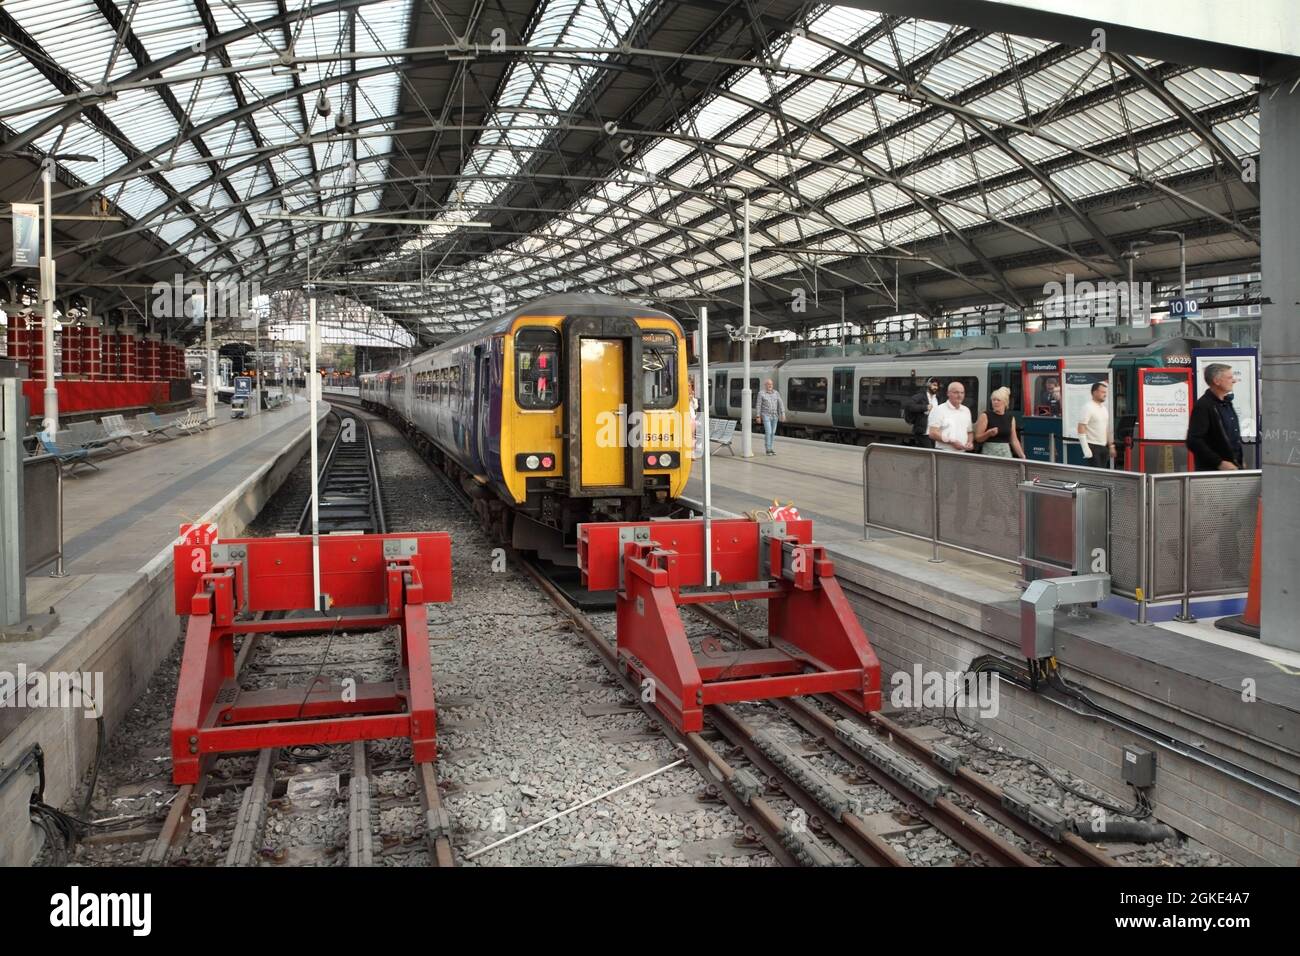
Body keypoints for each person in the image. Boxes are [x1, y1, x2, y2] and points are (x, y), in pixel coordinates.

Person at [1187, 363, 1244, 471]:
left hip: (1234, 469)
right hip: (1213, 472)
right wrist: (1219, 463)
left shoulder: (1227, 403)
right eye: (1229, 377)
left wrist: (1239, 460)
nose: (1234, 381)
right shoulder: (1203, 406)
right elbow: (1194, 440)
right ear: (1216, 381)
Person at [975, 387, 1025, 459]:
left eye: (998, 400)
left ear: (1005, 402)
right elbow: (978, 438)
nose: (995, 402)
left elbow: (1014, 440)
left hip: (1005, 454)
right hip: (989, 454)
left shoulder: (1011, 418)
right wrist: (988, 433)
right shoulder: (985, 416)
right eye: (993, 400)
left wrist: (1022, 455)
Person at [1076, 380, 1115, 468]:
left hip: (1103, 446)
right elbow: (1081, 427)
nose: (1105, 394)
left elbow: (1106, 428)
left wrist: (1111, 446)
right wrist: (1086, 448)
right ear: (1094, 392)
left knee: (1102, 474)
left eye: (1105, 392)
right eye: (1102, 392)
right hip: (1092, 446)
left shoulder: (1104, 408)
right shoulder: (1088, 407)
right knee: (1096, 476)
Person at [927, 381, 974, 452]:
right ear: (948, 393)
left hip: (963, 452)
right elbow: (932, 433)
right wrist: (951, 442)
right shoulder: (938, 410)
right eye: (956, 392)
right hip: (944, 452)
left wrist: (970, 442)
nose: (960, 395)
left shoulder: (966, 410)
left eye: (962, 393)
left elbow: (969, 432)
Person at [905, 377, 940, 448]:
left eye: (937, 386)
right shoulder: (920, 396)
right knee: (929, 452)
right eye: (934, 385)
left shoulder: (937, 399)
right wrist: (925, 407)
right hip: (922, 432)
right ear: (928, 385)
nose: (935, 387)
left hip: (933, 433)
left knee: (933, 453)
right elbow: (909, 406)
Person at [754, 378, 785, 456]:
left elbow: (780, 403)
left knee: (773, 433)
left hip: (775, 416)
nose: (770, 385)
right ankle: (767, 449)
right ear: (765, 385)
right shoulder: (761, 393)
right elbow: (758, 405)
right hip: (766, 415)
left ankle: (771, 448)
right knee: (769, 432)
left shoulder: (776, 393)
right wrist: (758, 416)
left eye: (771, 384)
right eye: (768, 384)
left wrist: (783, 413)